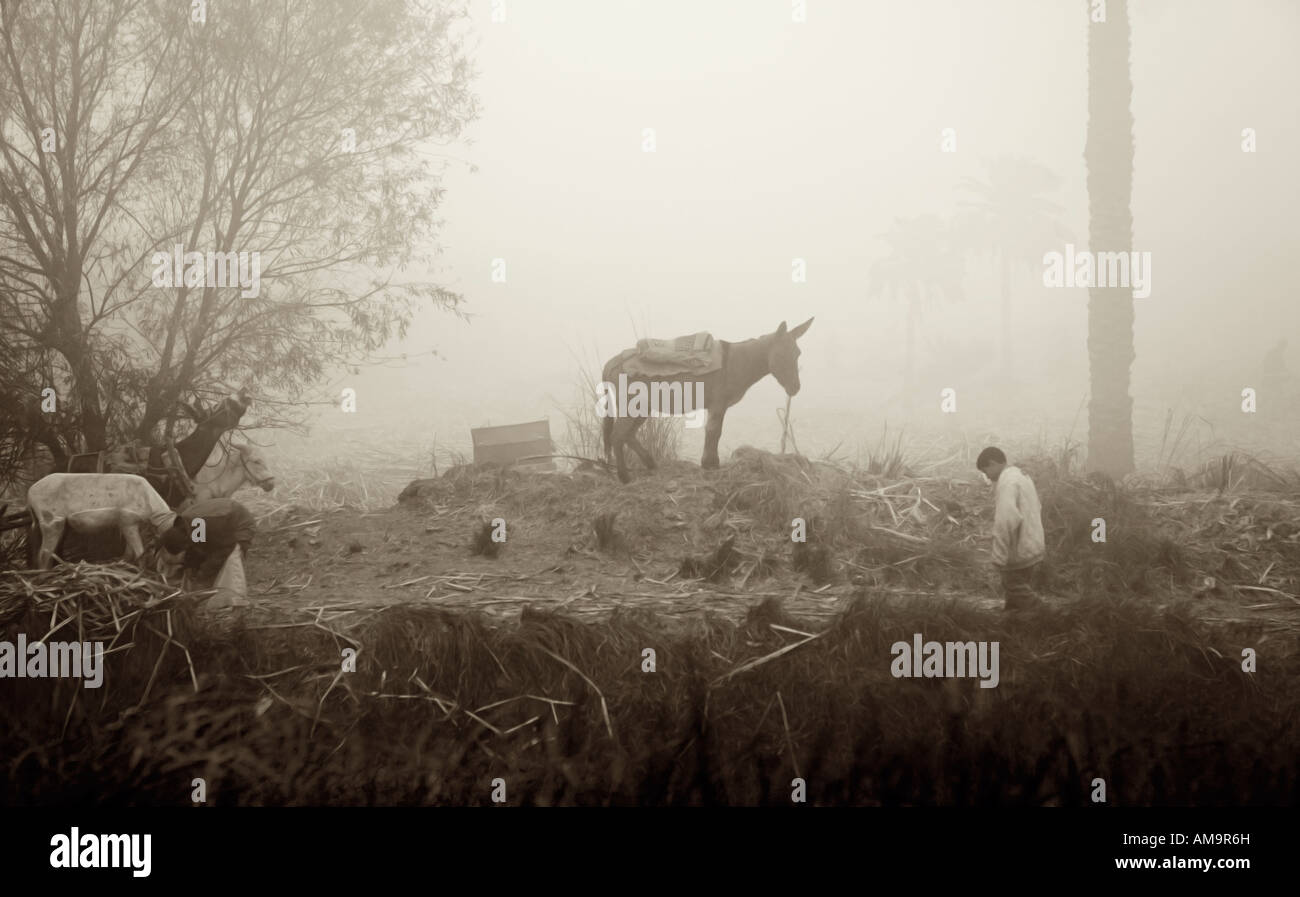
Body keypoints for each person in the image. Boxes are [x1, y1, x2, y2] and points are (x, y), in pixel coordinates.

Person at [976, 447, 1045, 611]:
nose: (987, 477)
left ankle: (1049, 614)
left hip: (1019, 548)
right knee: (1014, 593)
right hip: (1032, 542)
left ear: (993, 463)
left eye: (986, 471)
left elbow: (1006, 519)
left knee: (1015, 587)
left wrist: (999, 555)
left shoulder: (1007, 482)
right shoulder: (1021, 475)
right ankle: (1013, 621)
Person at [161, 497, 257, 583]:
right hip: (220, 518)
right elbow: (196, 549)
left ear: (185, 544)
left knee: (230, 564)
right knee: (200, 563)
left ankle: (234, 599)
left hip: (239, 524)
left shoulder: (206, 526)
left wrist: (203, 573)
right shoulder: (184, 525)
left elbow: (222, 551)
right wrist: (191, 566)